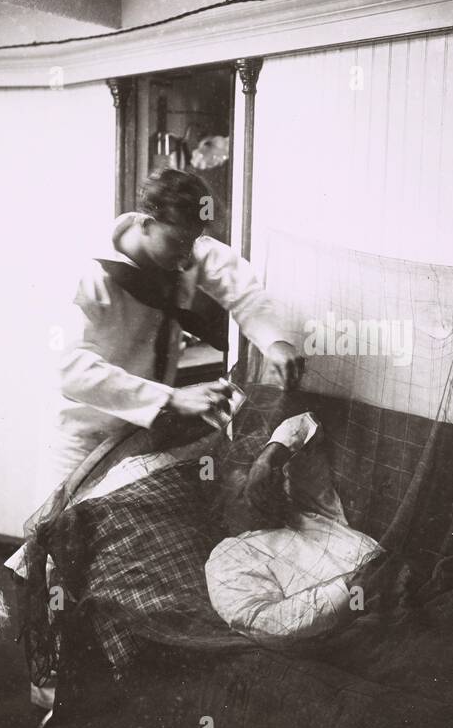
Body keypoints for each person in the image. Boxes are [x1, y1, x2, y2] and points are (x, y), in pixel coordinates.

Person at [39, 167, 303, 498]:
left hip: (144, 431)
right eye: (177, 242)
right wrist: (171, 398)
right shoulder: (85, 275)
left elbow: (243, 291)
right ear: (146, 224)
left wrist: (274, 342)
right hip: (85, 437)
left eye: (192, 242)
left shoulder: (185, 249)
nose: (185, 258)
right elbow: (70, 370)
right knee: (58, 535)